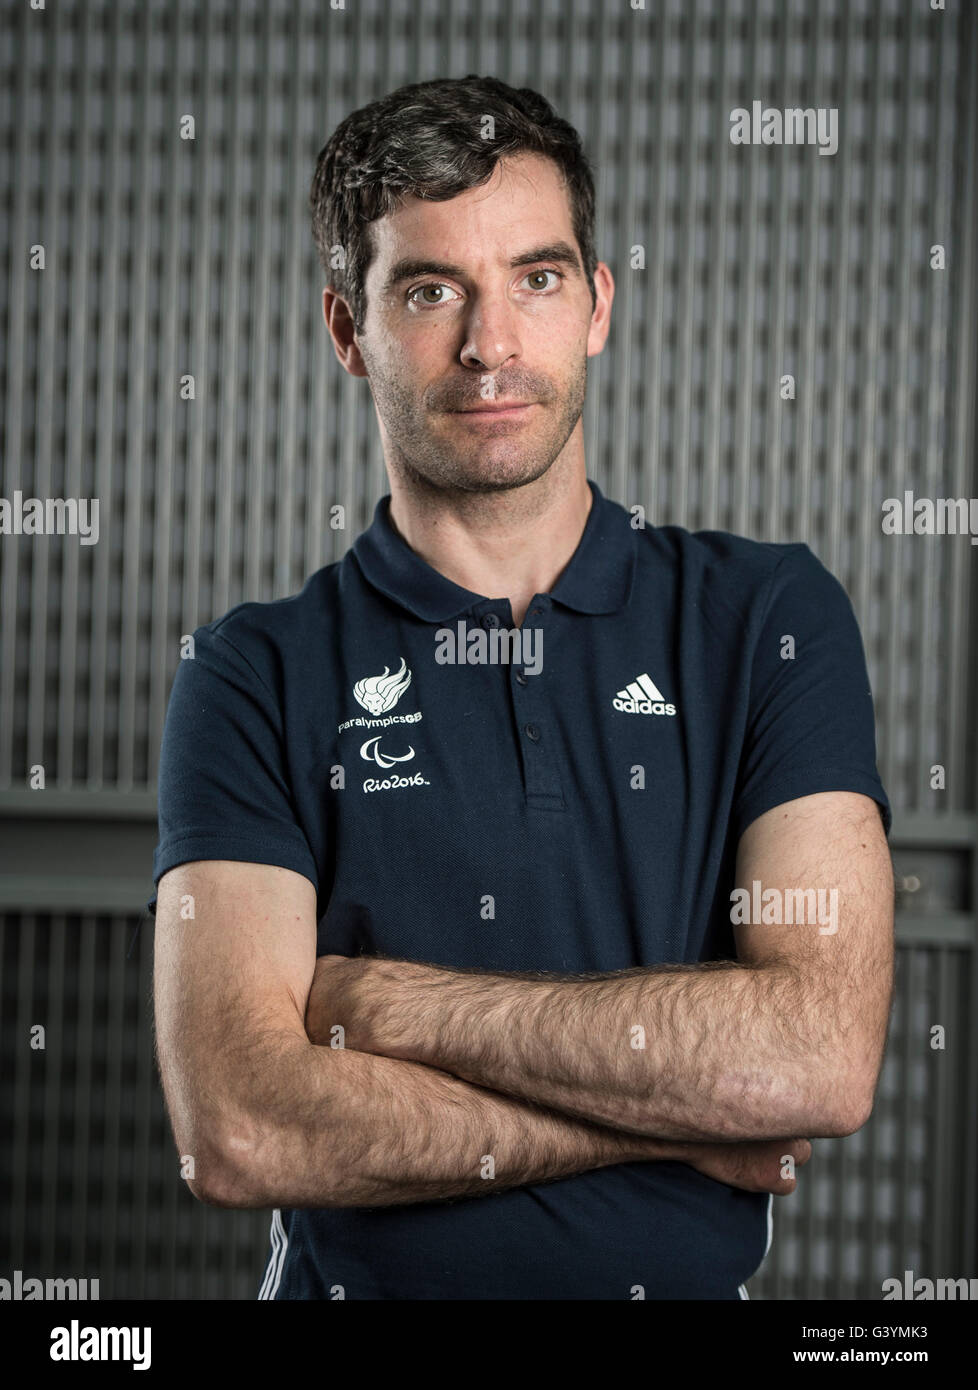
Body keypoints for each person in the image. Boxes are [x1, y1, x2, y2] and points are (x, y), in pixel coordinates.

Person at [150, 74, 894, 1301]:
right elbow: (241, 1127)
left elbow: (815, 1058)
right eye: (432, 290)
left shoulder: (768, 617)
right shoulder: (250, 672)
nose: (492, 343)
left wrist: (390, 1006)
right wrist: (669, 1115)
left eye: (537, 279)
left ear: (598, 305)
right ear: (349, 330)